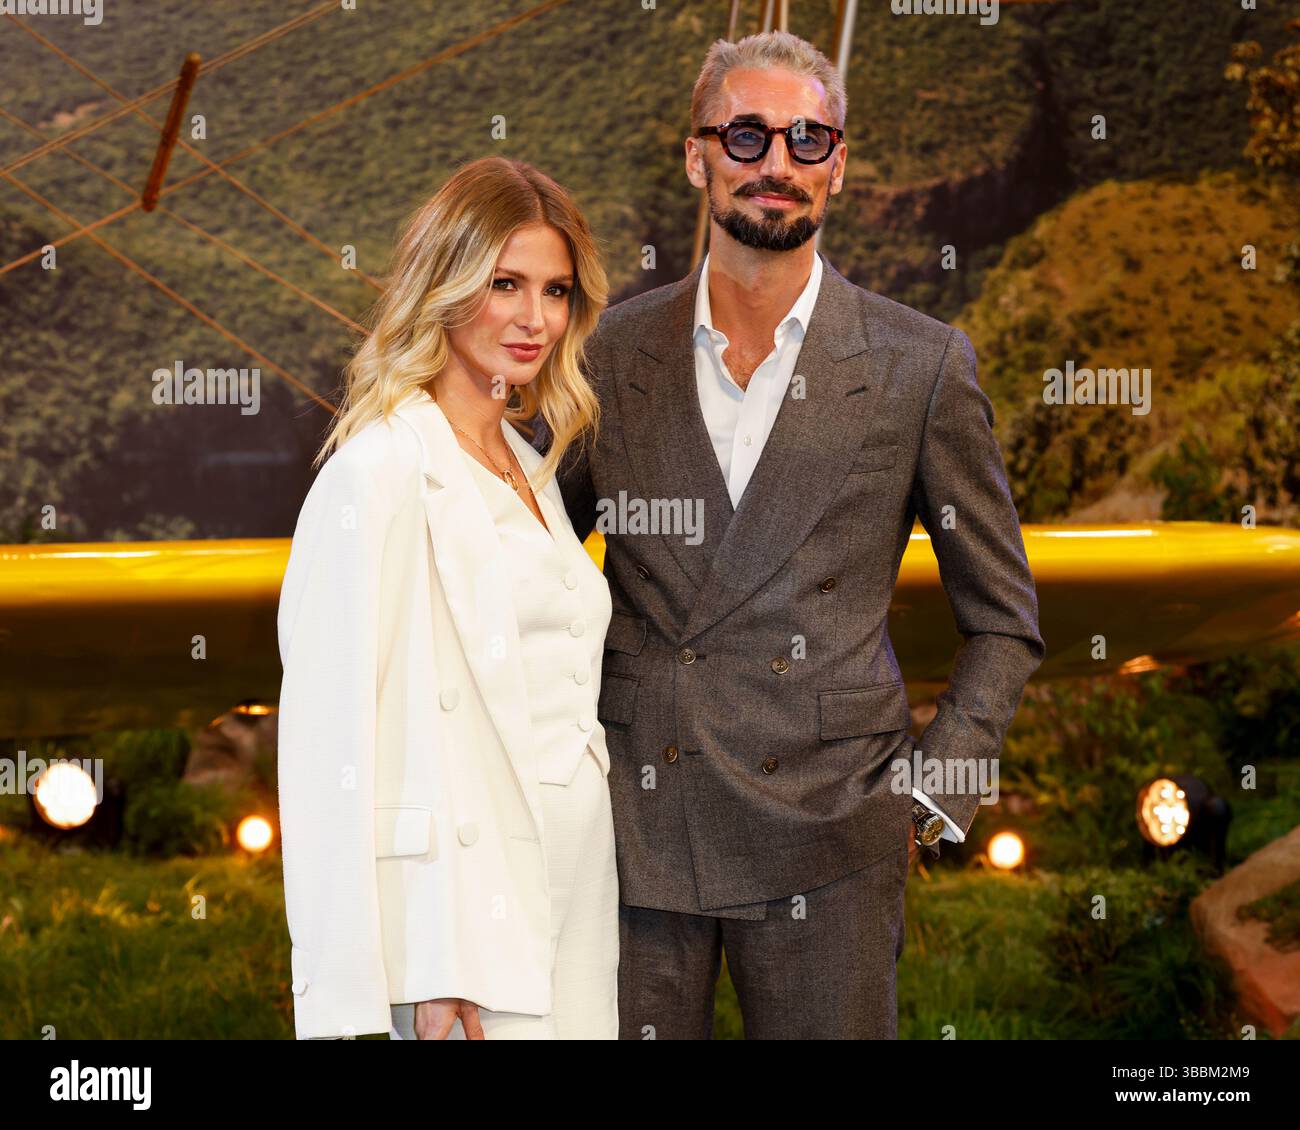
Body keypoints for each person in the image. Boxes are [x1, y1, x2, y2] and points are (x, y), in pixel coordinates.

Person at [556, 30, 1045, 1039]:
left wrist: (930, 793)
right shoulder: (605, 353)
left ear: (838, 166)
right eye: (746, 136)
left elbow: (1004, 619)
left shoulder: (921, 366)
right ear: (697, 155)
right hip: (637, 822)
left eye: (807, 139)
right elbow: (527, 574)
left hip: (835, 836)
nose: (776, 164)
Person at [276, 156, 618, 1040]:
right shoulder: (376, 475)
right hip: (469, 925)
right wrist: (426, 960)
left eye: (555, 290)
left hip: (575, 888)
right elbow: (332, 751)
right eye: (505, 283)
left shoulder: (531, 467)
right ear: (446, 280)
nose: (534, 318)